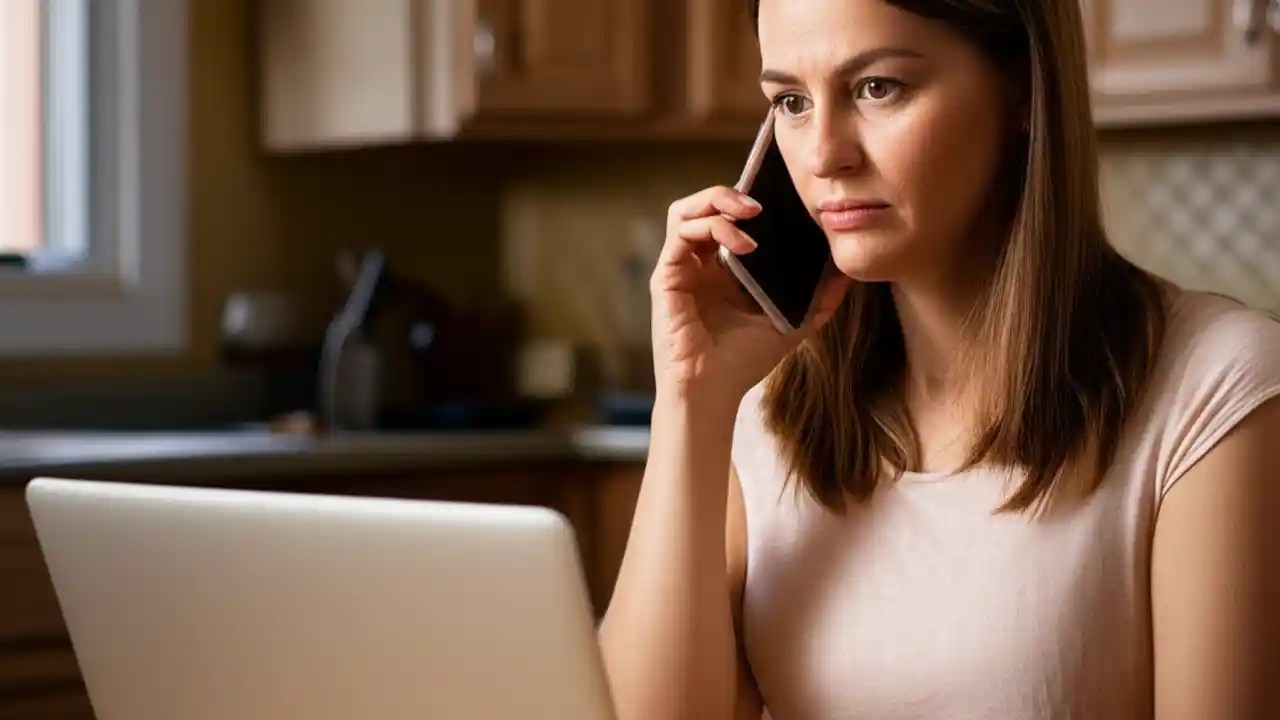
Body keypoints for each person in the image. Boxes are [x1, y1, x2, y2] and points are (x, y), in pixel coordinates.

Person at [597, 0, 1280, 718]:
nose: (825, 154)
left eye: (877, 87)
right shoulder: (769, 410)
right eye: (792, 102)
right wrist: (692, 398)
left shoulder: (1216, 389)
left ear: (1021, 90)